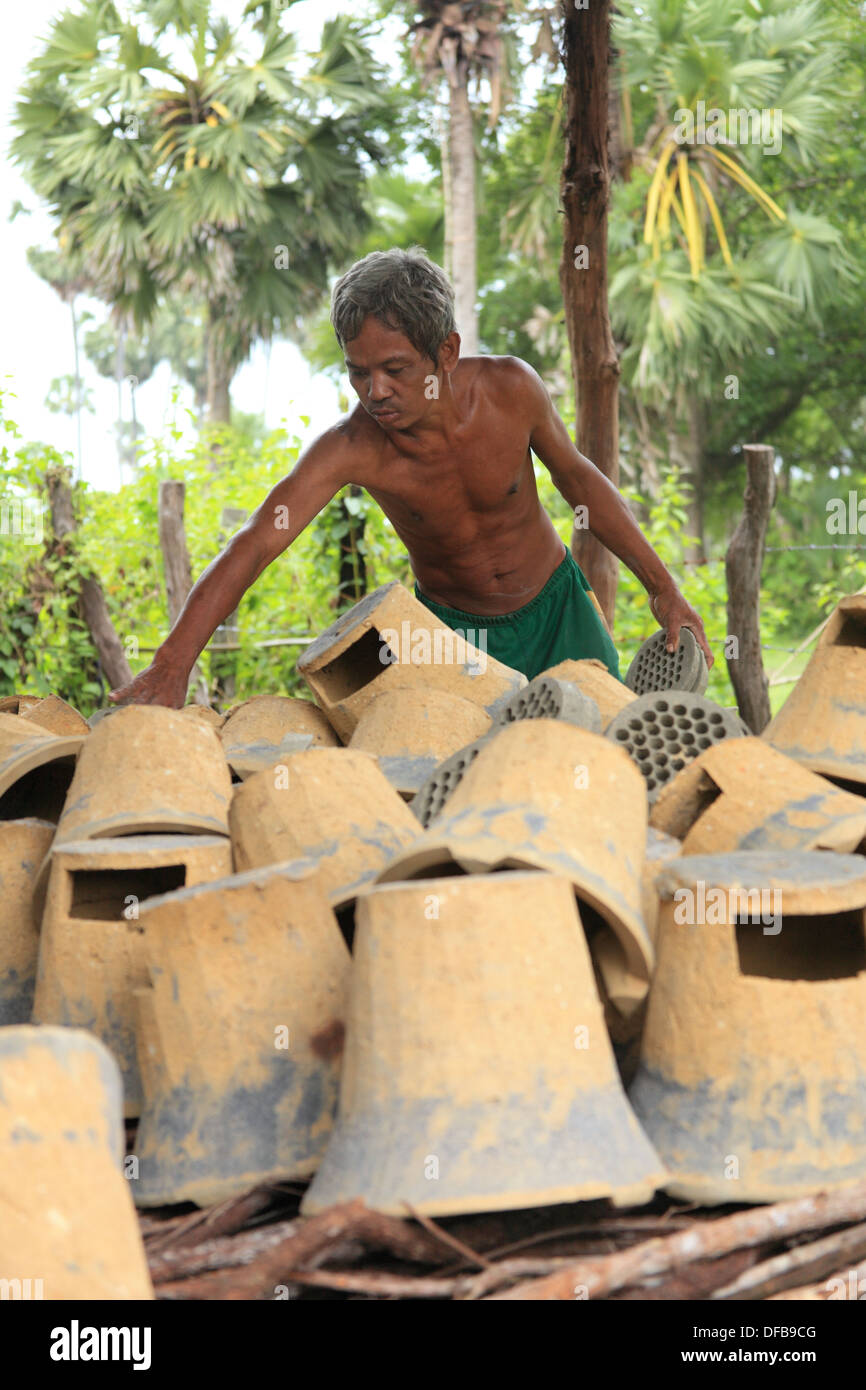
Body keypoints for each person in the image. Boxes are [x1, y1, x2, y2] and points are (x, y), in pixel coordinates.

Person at [109, 247, 712, 709]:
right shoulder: (350, 449)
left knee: (608, 756)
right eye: (358, 372)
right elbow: (254, 543)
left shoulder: (511, 390)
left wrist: (662, 587)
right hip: (453, 640)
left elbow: (579, 481)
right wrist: (172, 664)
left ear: (445, 352)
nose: (375, 391)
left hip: (560, 612)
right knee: (474, 785)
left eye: (395, 369)